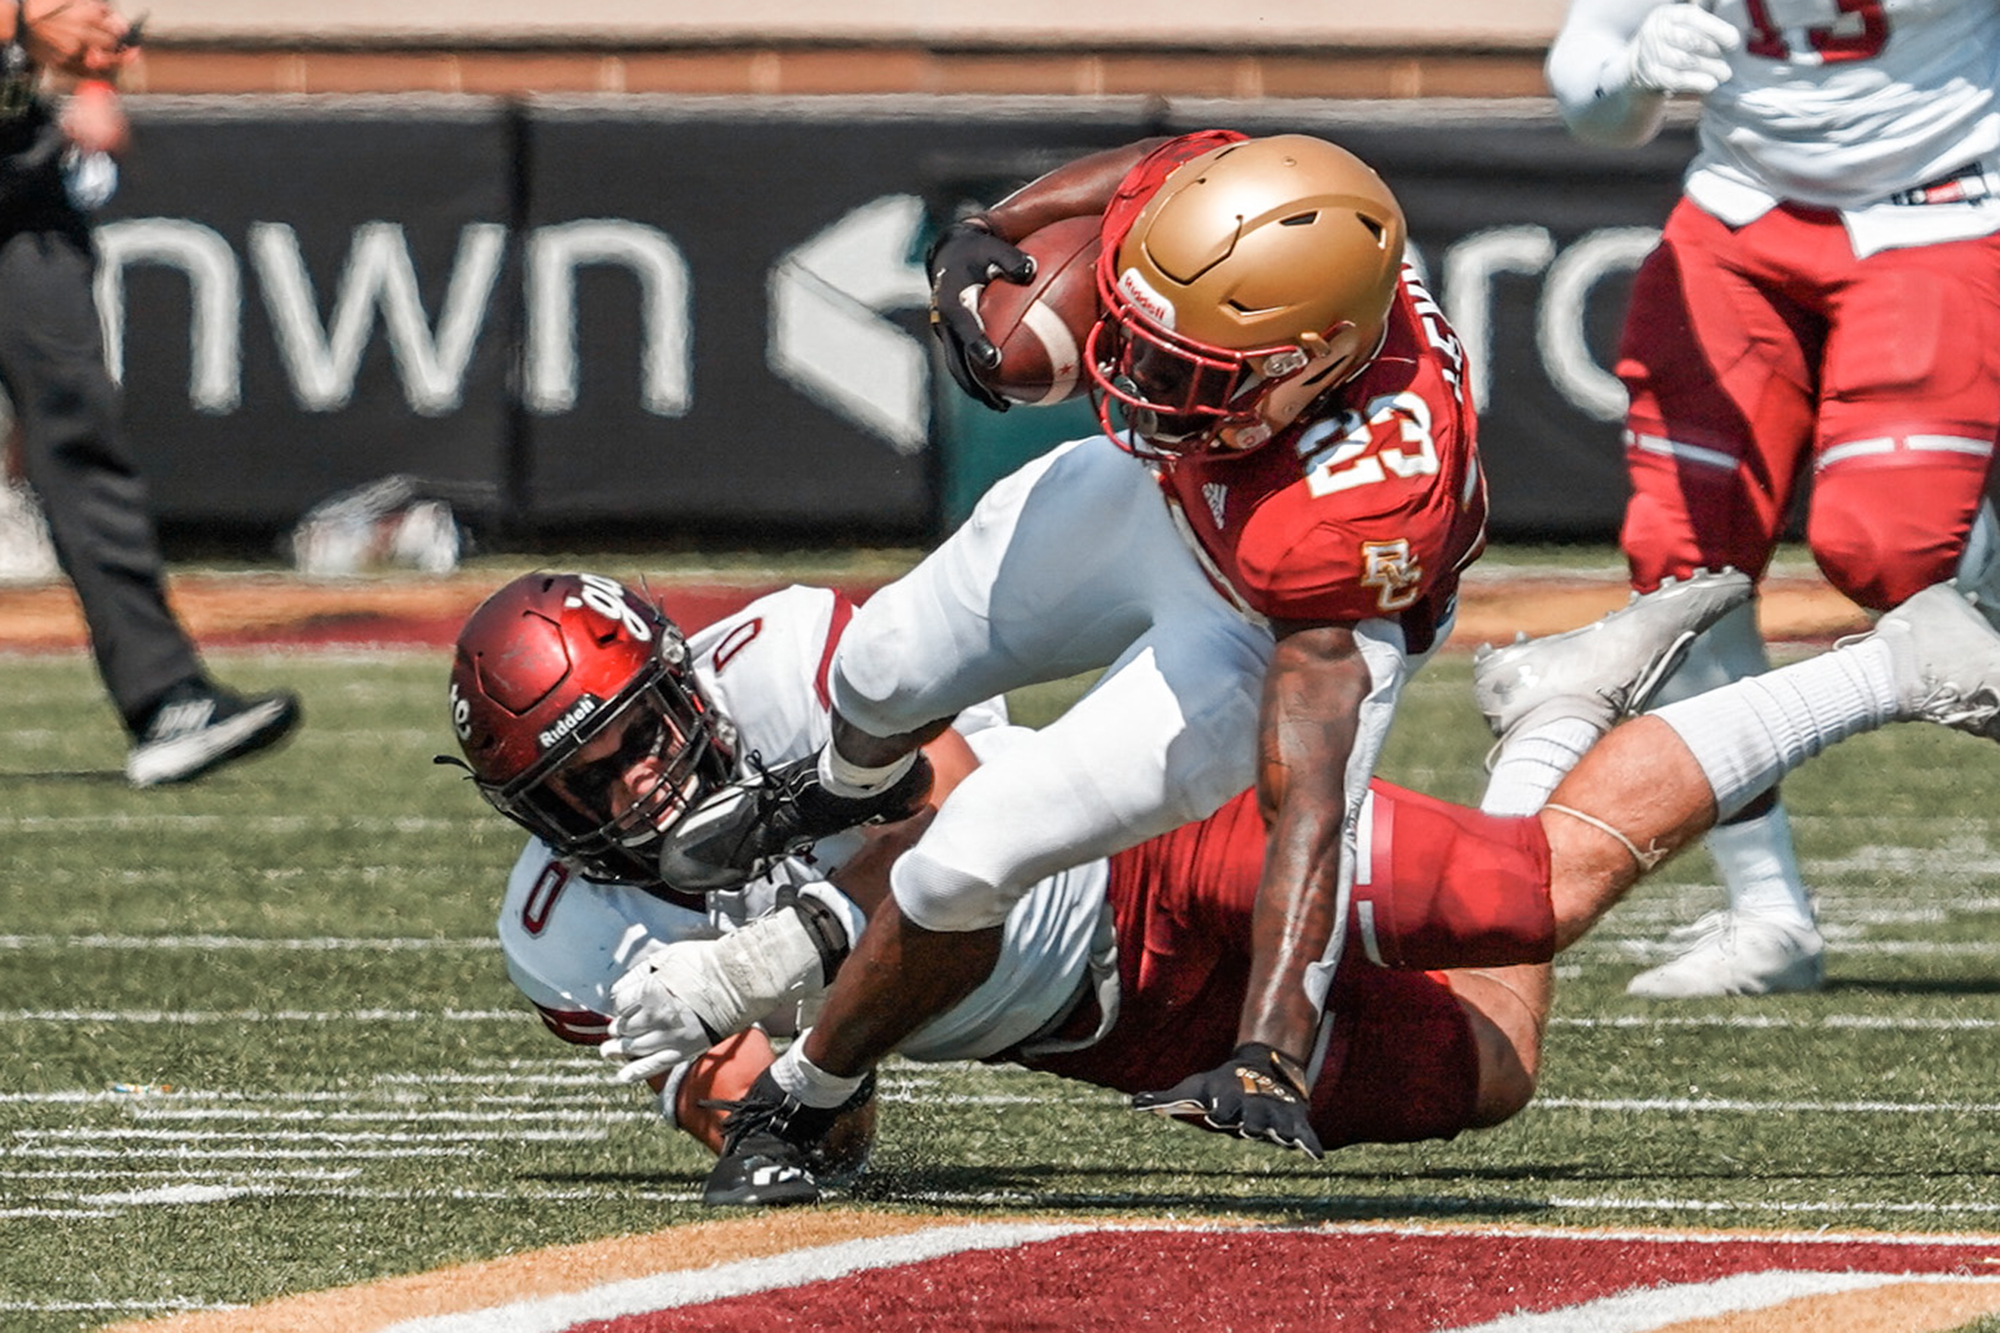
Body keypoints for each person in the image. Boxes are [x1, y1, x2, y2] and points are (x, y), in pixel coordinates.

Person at [452, 567, 2000, 1206]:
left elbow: (965, 831)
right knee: (1491, 1066)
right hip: (1098, 1031)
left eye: (642, 740)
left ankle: (1893, 660)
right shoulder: (565, 941)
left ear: (682, 676)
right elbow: (819, 1128)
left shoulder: (792, 660)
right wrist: (758, 1091)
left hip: (1138, 837)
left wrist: (770, 954)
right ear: (533, 816)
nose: (641, 790)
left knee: (1525, 900)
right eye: (587, 785)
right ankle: (1552, 721)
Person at [655, 129, 1488, 1169]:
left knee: (969, 856)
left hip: (1254, 620)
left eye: (1184, 368)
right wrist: (992, 227)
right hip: (1176, 492)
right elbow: (1159, 166)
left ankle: (802, 1098)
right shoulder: (1253, 226)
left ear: (1304, 365)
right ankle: (838, 787)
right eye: (1142, 338)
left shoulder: (1350, 510)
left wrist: (1269, 1044)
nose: (1132, 374)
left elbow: (1310, 808)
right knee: (879, 662)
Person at [1544, 0, 2000, 997]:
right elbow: (1584, 83)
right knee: (1677, 576)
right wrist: (1633, 76)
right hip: (1735, 222)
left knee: (1889, 556)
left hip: (1941, 208)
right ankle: (1767, 917)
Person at [0, 0, 299, 786]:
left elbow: (84, 17)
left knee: (79, 423)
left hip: (17, 178)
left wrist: (94, 75)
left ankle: (167, 699)